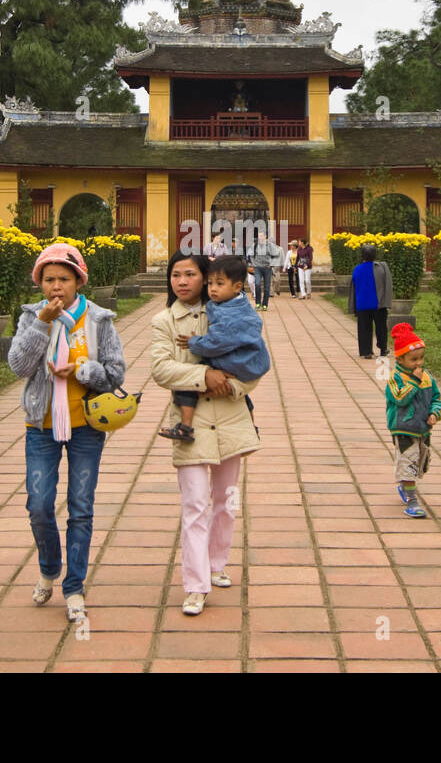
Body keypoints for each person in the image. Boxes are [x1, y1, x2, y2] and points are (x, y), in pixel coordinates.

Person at [8, 243, 127, 624]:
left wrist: (81, 370)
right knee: (39, 504)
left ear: (78, 281)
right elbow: (18, 366)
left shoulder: (98, 320)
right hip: (40, 424)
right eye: (48, 279)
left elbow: (116, 373)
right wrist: (42, 324)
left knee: (81, 506)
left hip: (86, 427)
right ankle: (49, 567)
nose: (56, 287)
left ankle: (74, 586)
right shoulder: (31, 316)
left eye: (64, 279)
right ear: (39, 282)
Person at [150, 251, 261, 617]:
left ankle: (216, 564)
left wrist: (235, 386)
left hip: (230, 418)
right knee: (195, 504)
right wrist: (204, 376)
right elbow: (161, 369)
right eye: (175, 275)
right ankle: (196, 585)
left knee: (226, 502)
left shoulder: (233, 314)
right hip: (191, 424)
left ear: (207, 276)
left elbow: (256, 362)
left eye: (190, 274)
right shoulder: (164, 321)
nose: (182, 281)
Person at [158, 254, 269, 443]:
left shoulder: (227, 313)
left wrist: (195, 343)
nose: (213, 288)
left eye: (219, 283)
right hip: (249, 362)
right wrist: (206, 375)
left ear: (237, 287)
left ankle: (185, 427)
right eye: (211, 283)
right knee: (192, 378)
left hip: (236, 364)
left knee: (186, 386)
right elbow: (161, 370)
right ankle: (252, 427)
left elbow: (217, 342)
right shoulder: (237, 304)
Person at [385, 323, 441, 519]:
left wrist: (435, 413)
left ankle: (404, 487)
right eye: (413, 359)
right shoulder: (395, 379)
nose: (419, 363)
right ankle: (412, 502)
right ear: (400, 359)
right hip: (403, 429)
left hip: (423, 429)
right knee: (408, 464)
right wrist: (414, 381)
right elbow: (400, 398)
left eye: (421, 358)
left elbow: (436, 398)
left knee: (421, 465)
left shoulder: (427, 378)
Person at [348, 243, 392, 358]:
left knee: (364, 328)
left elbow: (354, 288)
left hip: (362, 304)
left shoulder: (357, 269)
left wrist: (354, 306)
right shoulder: (381, 267)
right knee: (381, 327)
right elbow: (387, 285)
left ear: (362, 255)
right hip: (379, 304)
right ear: (375, 255)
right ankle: (383, 349)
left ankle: (366, 351)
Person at [246, 227, 282, 312]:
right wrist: (254, 264)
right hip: (257, 268)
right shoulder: (255, 245)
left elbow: (277, 254)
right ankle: (258, 303)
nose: (260, 237)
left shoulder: (270, 245)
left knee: (267, 287)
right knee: (257, 284)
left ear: (265, 237)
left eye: (262, 236)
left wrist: (272, 264)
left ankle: (265, 304)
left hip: (267, 268)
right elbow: (250, 255)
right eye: (259, 236)